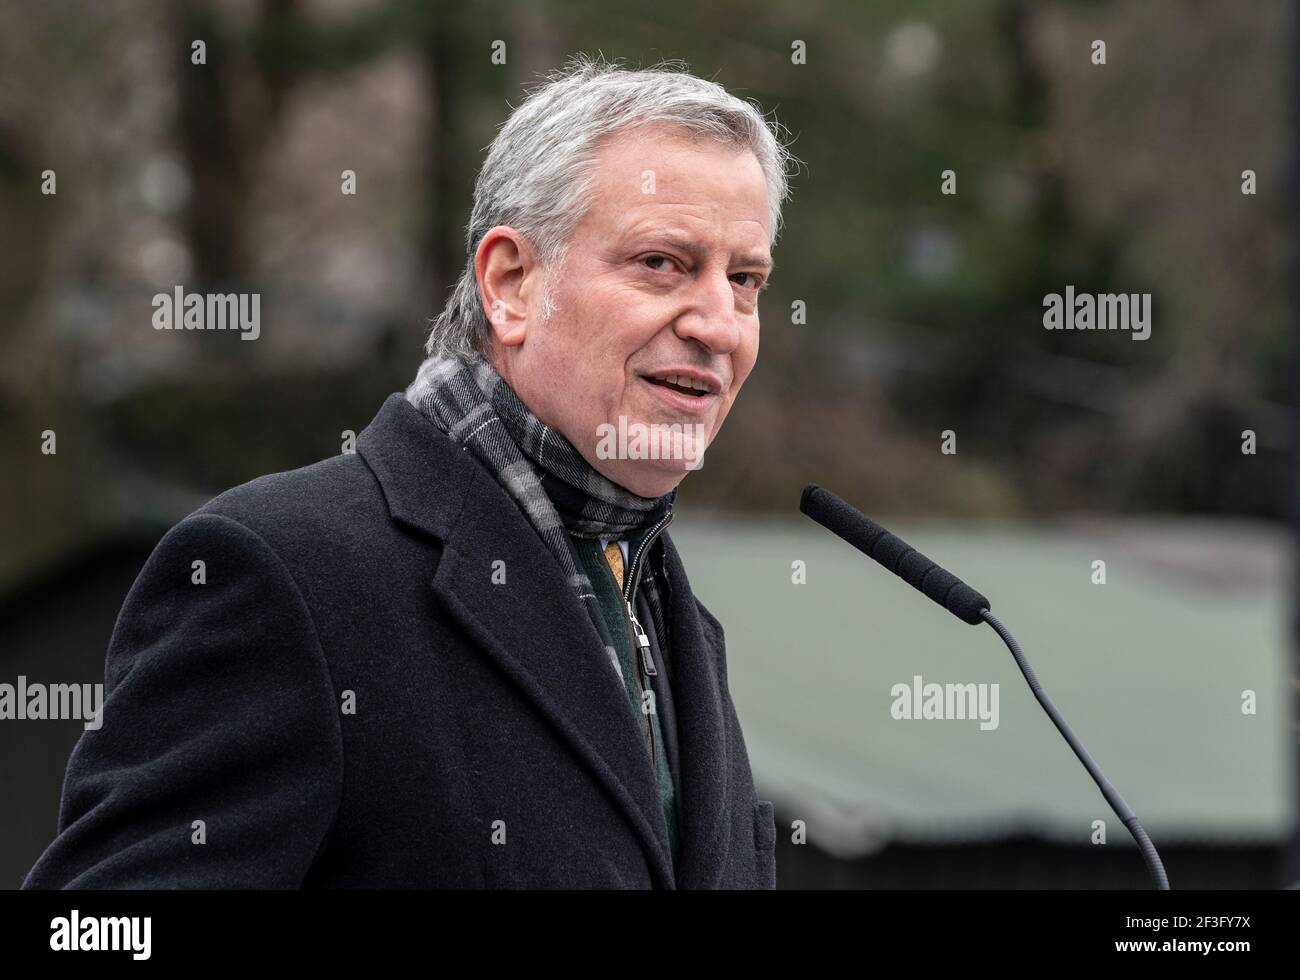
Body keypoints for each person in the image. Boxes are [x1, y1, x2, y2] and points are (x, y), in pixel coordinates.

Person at [24, 54, 794, 889]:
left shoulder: (669, 611)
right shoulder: (284, 573)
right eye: (662, 264)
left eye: (745, 280)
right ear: (510, 283)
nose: (720, 324)